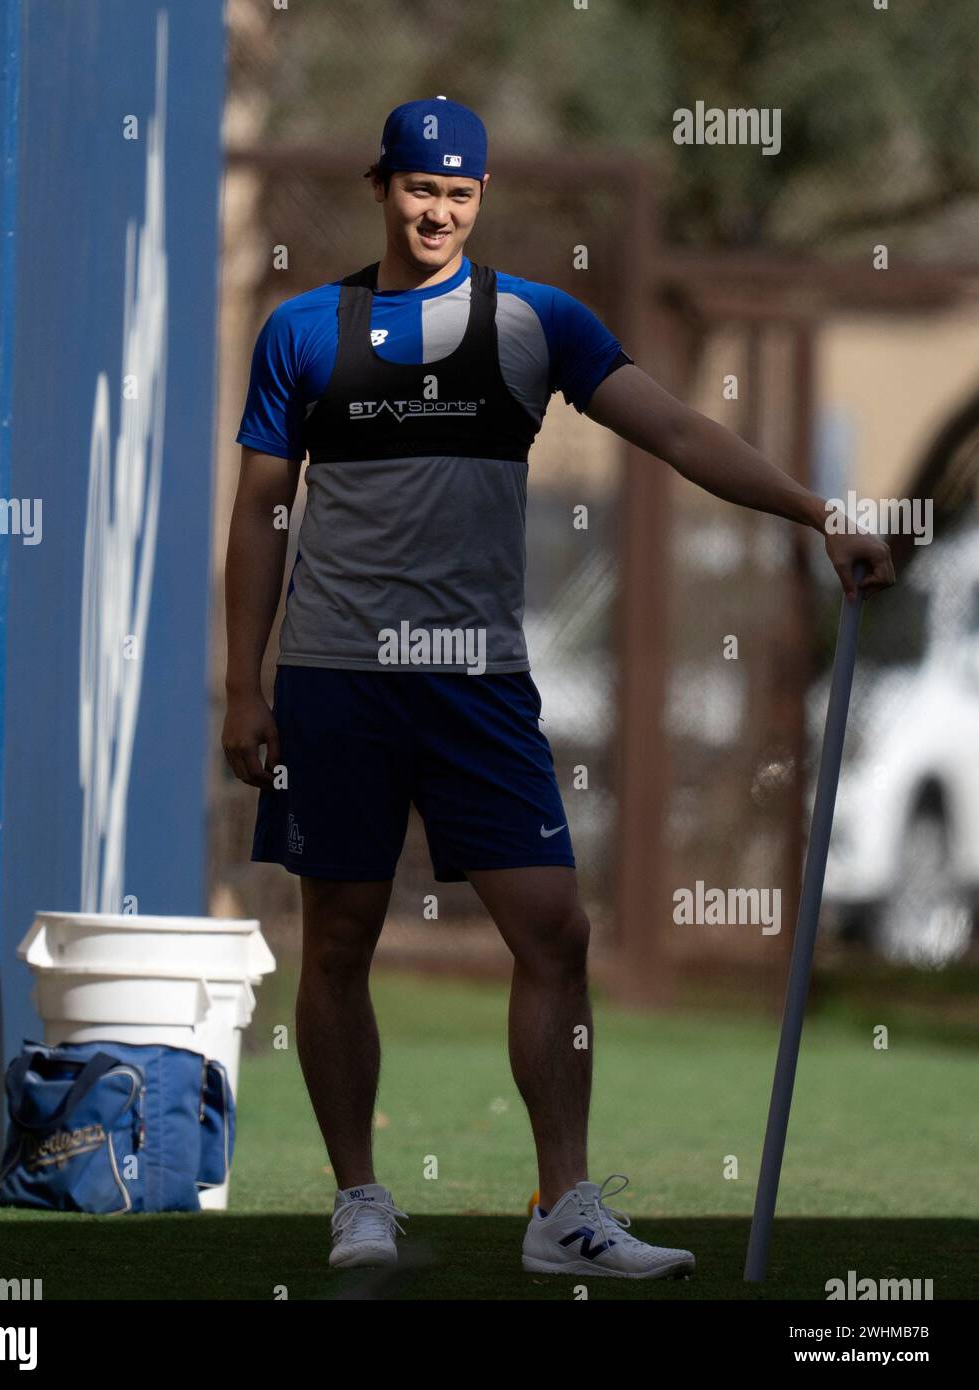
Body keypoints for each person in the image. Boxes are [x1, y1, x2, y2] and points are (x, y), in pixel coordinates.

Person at [223, 97, 894, 1280]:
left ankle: (563, 1209)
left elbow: (679, 433)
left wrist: (817, 511)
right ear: (381, 187)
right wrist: (244, 680)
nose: (437, 210)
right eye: (419, 188)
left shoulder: (537, 324)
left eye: (459, 193)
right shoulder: (303, 330)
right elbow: (261, 511)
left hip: (478, 685)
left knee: (554, 929)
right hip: (336, 679)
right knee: (336, 939)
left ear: (479, 199)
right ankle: (359, 1198)